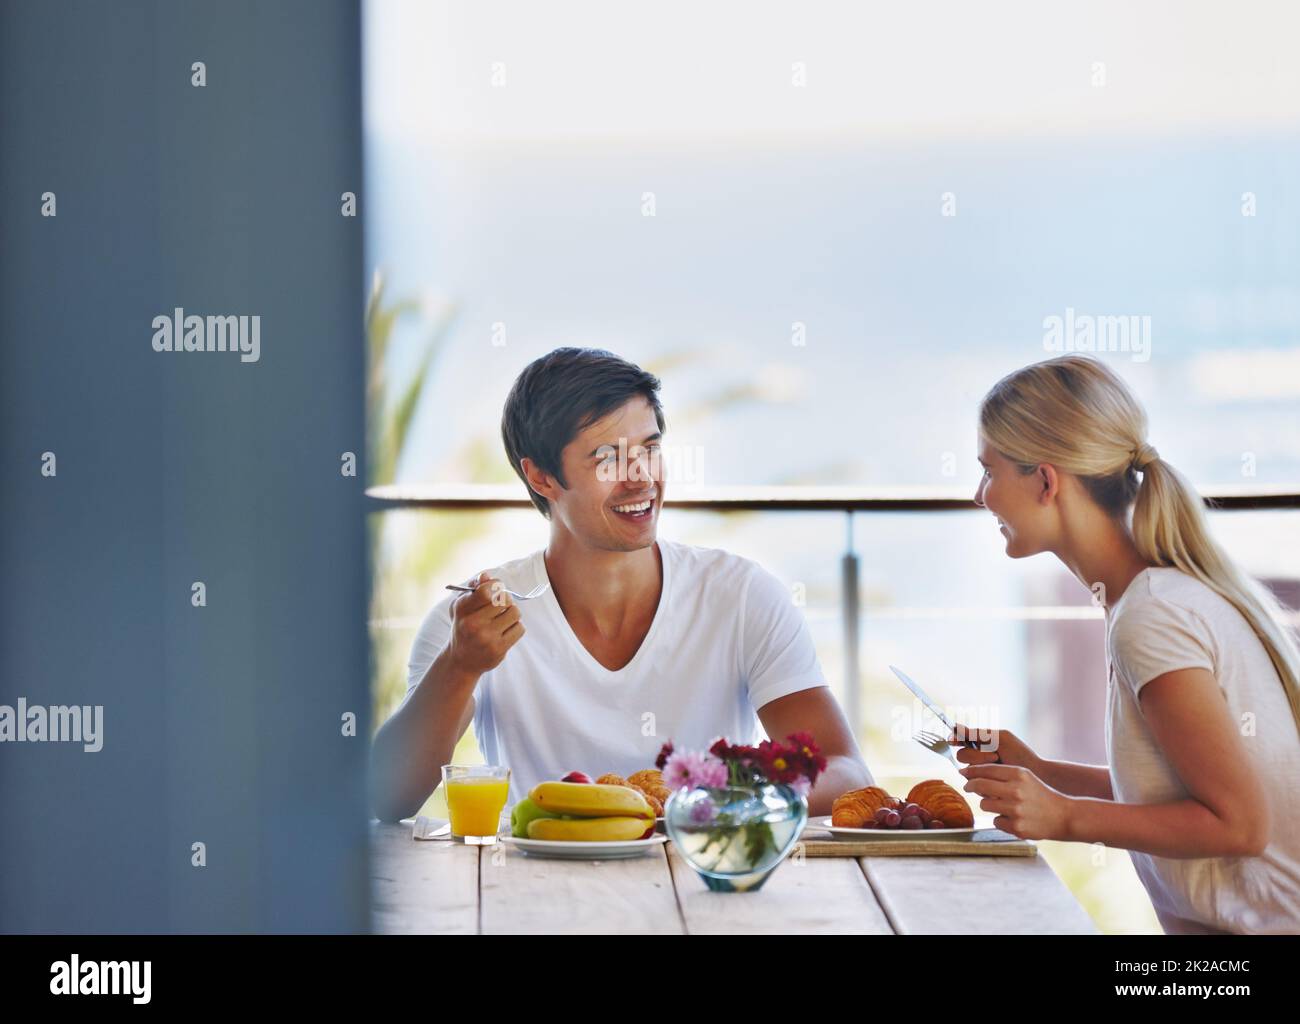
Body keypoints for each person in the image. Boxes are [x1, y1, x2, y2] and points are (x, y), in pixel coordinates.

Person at [370, 347, 872, 819]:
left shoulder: (741, 595)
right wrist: (459, 667)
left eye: (650, 449)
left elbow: (846, 773)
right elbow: (385, 798)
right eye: (607, 458)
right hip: (534, 894)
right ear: (541, 477)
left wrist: (727, 798)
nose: (640, 478)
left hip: (706, 887)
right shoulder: (473, 624)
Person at [955, 354, 1300, 934]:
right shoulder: (1152, 599)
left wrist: (1063, 817)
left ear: (1045, 480)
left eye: (989, 471)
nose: (978, 495)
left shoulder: (1152, 616)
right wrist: (1040, 770)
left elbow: (1239, 826)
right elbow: (1177, 789)